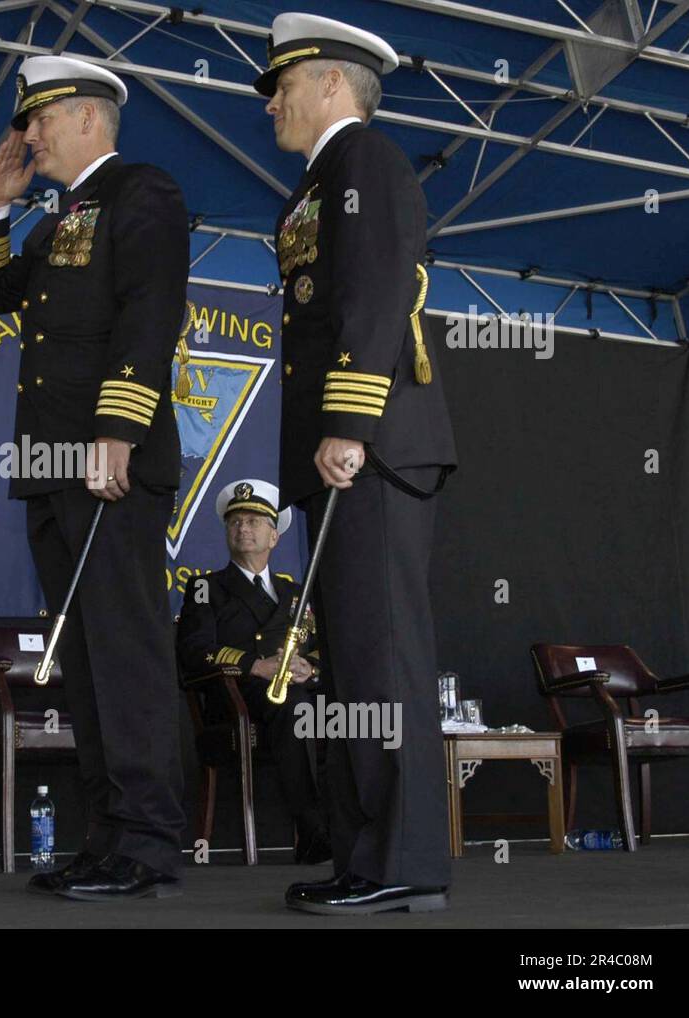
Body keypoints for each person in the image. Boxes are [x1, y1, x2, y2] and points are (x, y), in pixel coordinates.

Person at [0, 55, 189, 900]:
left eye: (40, 118)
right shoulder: (61, 218)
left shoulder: (142, 192)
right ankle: (107, 836)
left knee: (126, 653)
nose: (28, 134)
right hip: (55, 472)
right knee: (84, 660)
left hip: (108, 464)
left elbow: (151, 312)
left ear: (89, 118)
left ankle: (151, 842)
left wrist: (118, 430)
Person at [254, 13, 458, 914]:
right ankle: (360, 853)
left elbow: (375, 292)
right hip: (339, 458)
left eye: (284, 87)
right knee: (347, 671)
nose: (271, 105)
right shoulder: (315, 185)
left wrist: (346, 422)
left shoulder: (365, 162)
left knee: (384, 664)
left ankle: (406, 860)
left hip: (370, 451)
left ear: (332, 83)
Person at [176, 479, 329, 864]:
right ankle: (315, 831)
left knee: (356, 708)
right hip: (237, 698)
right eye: (235, 522)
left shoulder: (296, 593)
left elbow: (324, 648)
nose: (242, 528)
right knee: (297, 709)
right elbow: (193, 653)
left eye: (253, 521)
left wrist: (307, 666)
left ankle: (363, 824)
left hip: (299, 690)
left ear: (274, 536)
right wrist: (255, 665)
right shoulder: (205, 588)